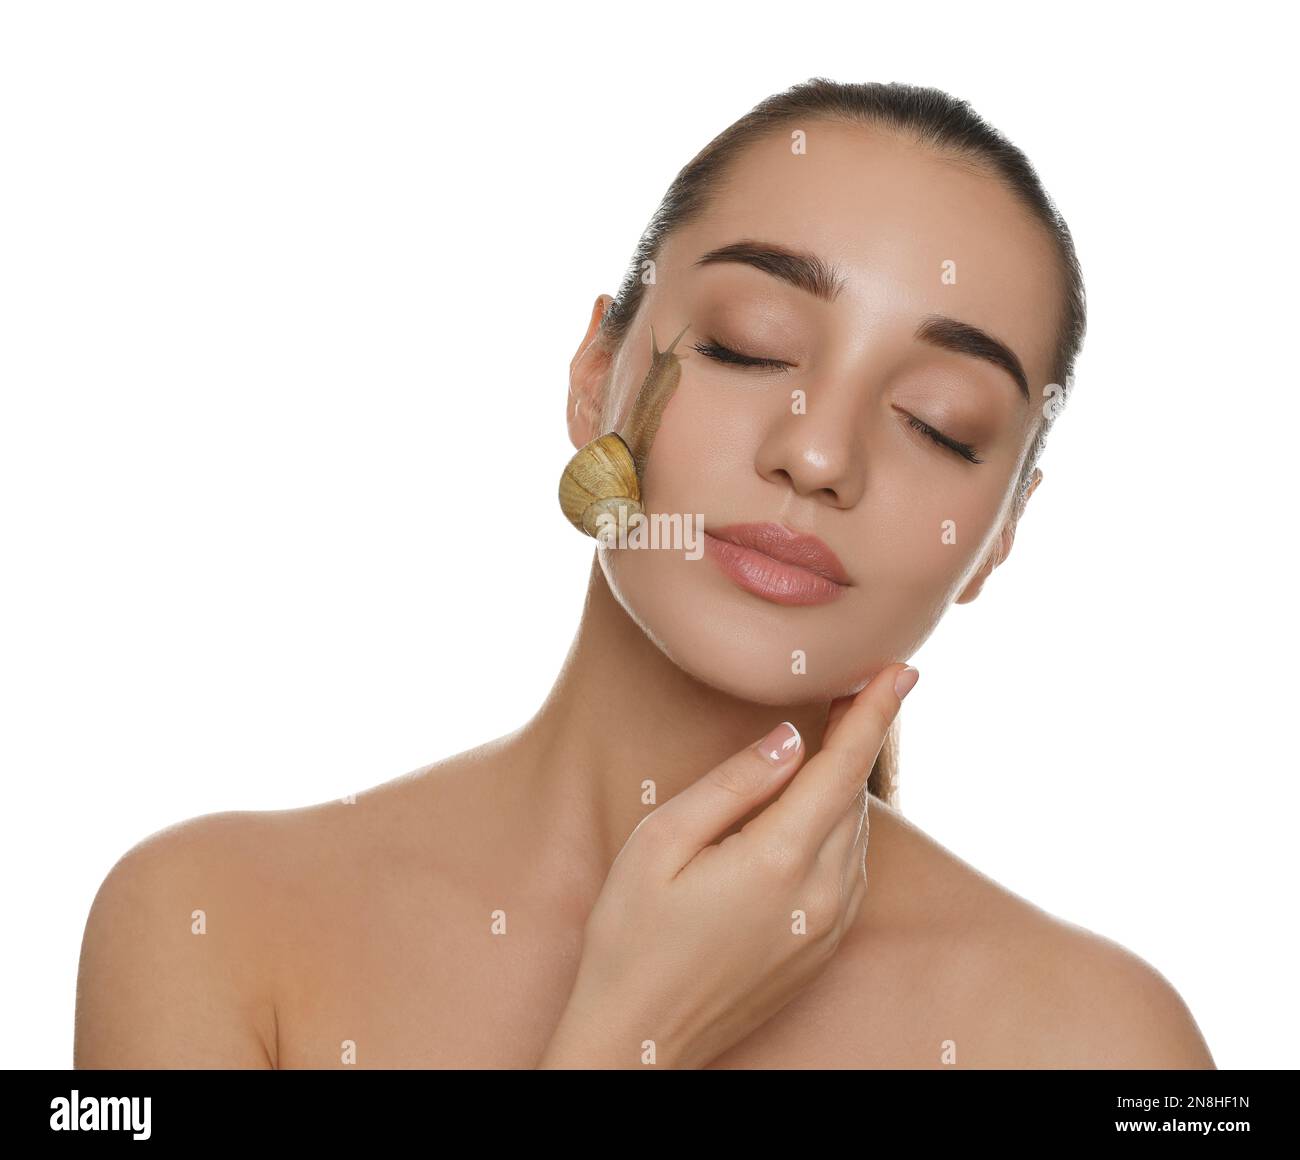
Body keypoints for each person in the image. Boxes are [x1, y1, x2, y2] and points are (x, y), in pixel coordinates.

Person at [74, 78, 1215, 1069]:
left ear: (1000, 533)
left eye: (939, 423)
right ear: (595, 374)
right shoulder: (213, 921)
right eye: (748, 342)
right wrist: (629, 1035)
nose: (817, 453)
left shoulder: (1105, 1040)